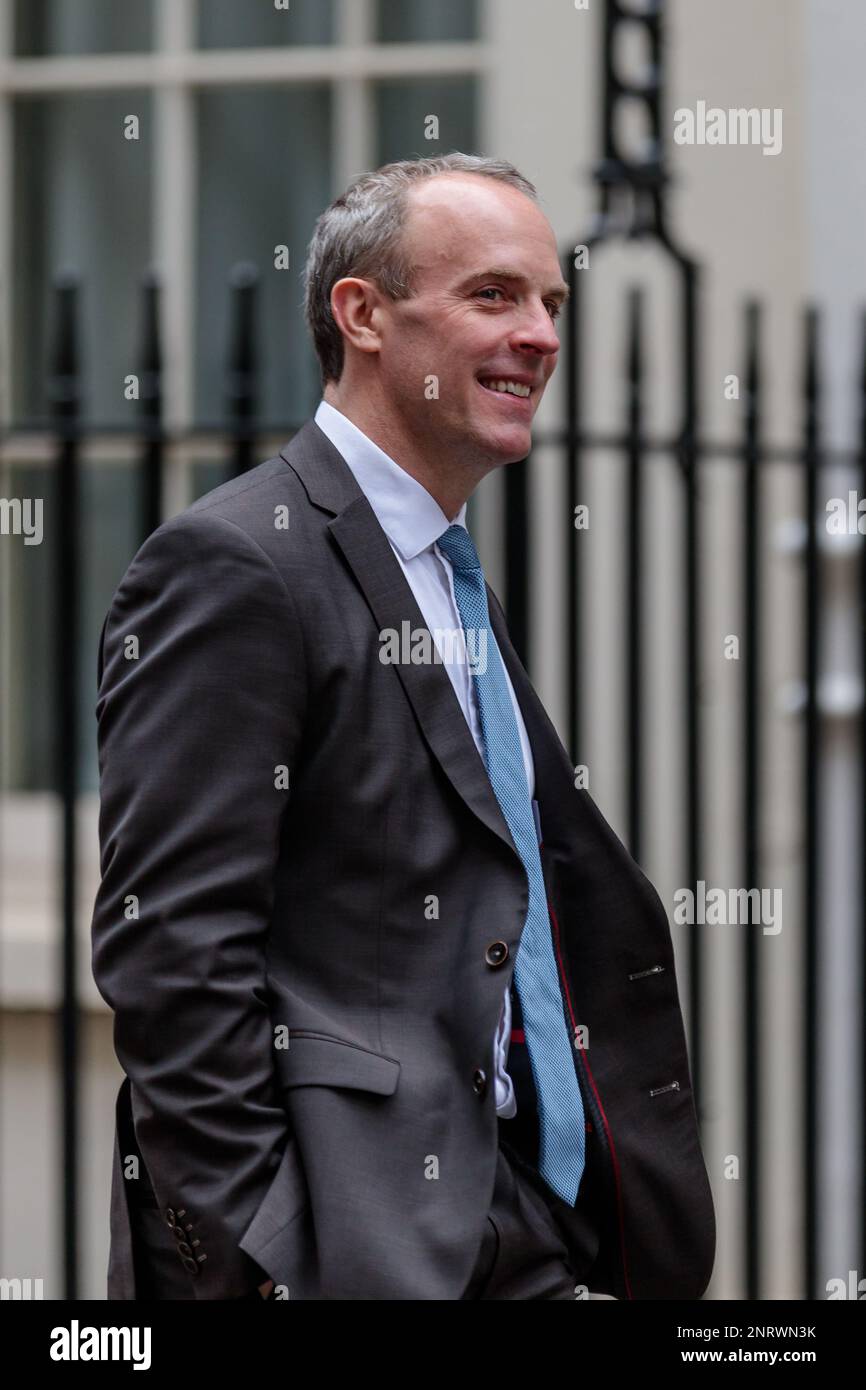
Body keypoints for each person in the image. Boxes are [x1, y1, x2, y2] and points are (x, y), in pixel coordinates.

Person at [90, 152, 715, 1301]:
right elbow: (173, 958)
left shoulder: (444, 569)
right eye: (492, 295)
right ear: (362, 314)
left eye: (550, 303)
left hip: (526, 1225)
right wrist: (270, 1263)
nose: (539, 334)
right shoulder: (237, 563)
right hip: (356, 1249)